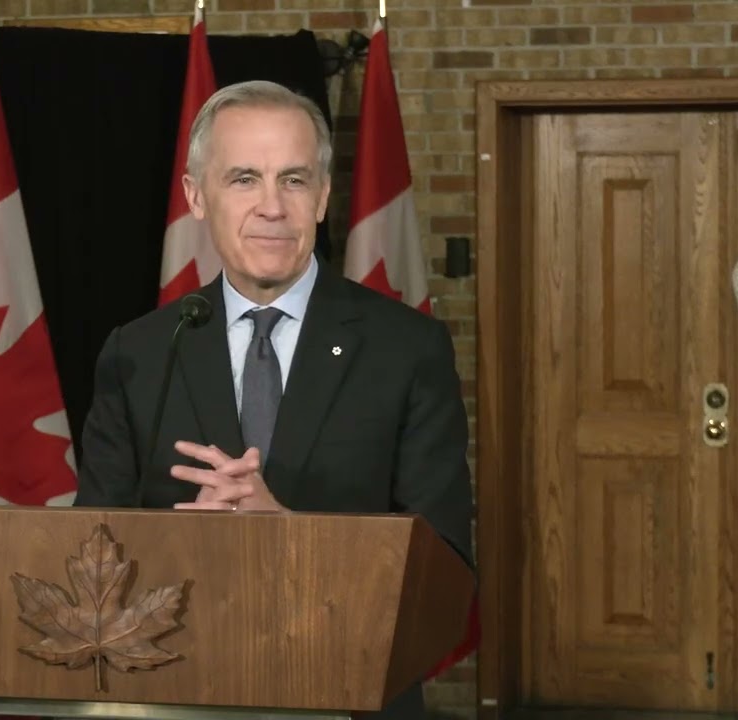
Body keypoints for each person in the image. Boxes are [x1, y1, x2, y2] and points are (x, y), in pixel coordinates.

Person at [73, 80, 473, 719]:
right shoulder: (140, 353)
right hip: (178, 691)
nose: (272, 207)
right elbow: (91, 556)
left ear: (323, 196)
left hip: (349, 689)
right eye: (243, 179)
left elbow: (444, 567)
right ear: (195, 196)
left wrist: (288, 536)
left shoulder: (408, 349)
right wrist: (181, 545)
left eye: (293, 180)